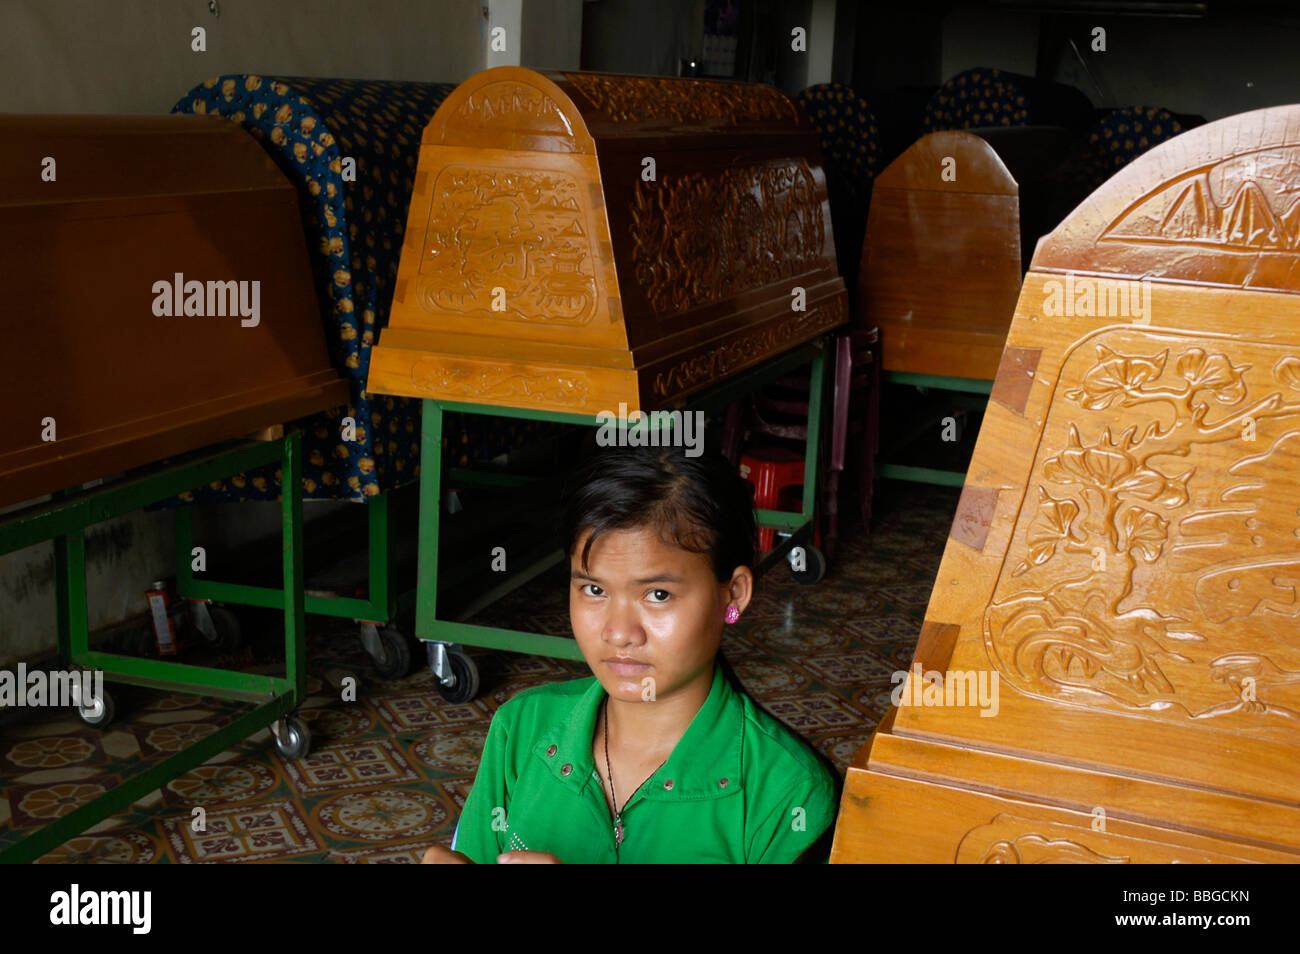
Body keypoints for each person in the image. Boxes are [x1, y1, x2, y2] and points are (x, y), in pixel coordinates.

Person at [421, 445, 839, 863]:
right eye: (594, 590)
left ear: (734, 595)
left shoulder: (790, 794)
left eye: (658, 595)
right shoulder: (522, 730)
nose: (619, 633)